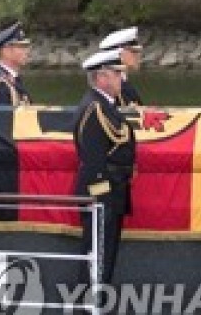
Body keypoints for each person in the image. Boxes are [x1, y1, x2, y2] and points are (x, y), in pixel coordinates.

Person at [72, 48, 136, 285]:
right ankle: (89, 307)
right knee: (97, 256)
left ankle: (98, 303)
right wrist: (101, 200)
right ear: (101, 78)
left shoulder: (107, 106)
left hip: (114, 190)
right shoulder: (95, 109)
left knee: (106, 256)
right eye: (116, 74)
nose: (122, 79)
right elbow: (93, 159)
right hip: (102, 193)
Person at [0, 22, 33, 106]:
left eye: (26, 47)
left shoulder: (12, 78)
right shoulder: (0, 85)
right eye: (22, 47)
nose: (27, 52)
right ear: (6, 51)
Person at [98, 26, 145, 108]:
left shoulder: (119, 84)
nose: (139, 55)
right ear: (120, 54)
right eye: (134, 51)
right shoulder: (114, 89)